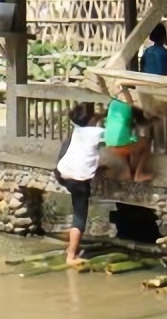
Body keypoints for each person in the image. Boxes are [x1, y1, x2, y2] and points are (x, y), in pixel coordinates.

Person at [55, 103, 103, 264]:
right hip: (79, 179)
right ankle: (71, 256)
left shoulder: (77, 130)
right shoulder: (96, 133)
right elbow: (117, 138)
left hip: (63, 173)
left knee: (77, 207)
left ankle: (71, 245)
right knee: (80, 216)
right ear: (92, 118)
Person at [105, 86, 153, 183]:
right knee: (146, 144)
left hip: (109, 143)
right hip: (123, 143)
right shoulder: (130, 103)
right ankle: (139, 174)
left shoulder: (112, 102)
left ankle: (127, 171)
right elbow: (142, 122)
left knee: (123, 140)